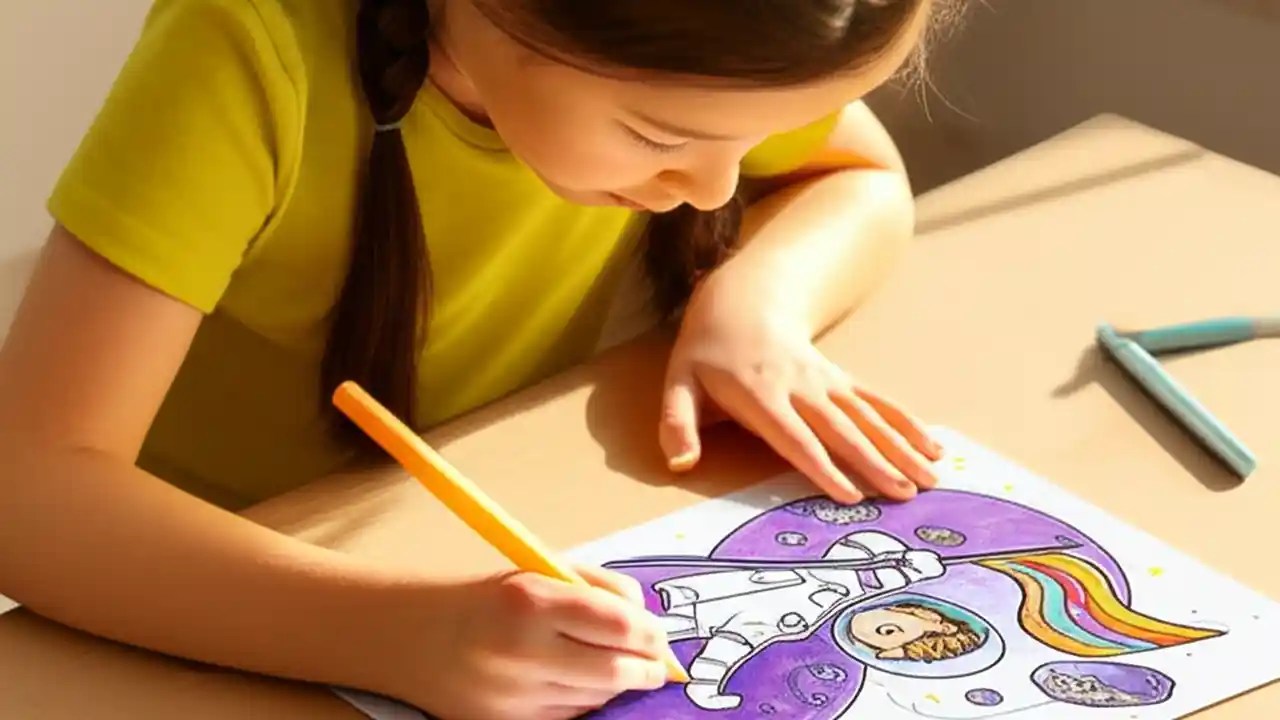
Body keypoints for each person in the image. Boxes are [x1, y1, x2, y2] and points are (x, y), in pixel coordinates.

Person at [0, 0, 955, 717]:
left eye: (745, 144)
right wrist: (400, 638)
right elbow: (28, 492)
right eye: (661, 137)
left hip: (473, 547)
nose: (713, 188)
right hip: (197, 596)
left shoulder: (736, 36)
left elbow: (860, 178)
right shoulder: (250, 47)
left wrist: (757, 301)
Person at [653, 530, 978, 709]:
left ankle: (700, 680)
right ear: (931, 618)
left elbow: (731, 645)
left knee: (675, 631)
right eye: (890, 630)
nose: (874, 640)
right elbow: (857, 550)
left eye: (883, 644)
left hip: (736, 614)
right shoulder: (843, 578)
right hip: (726, 593)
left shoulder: (807, 626)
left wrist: (705, 685)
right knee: (664, 626)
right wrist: (907, 564)